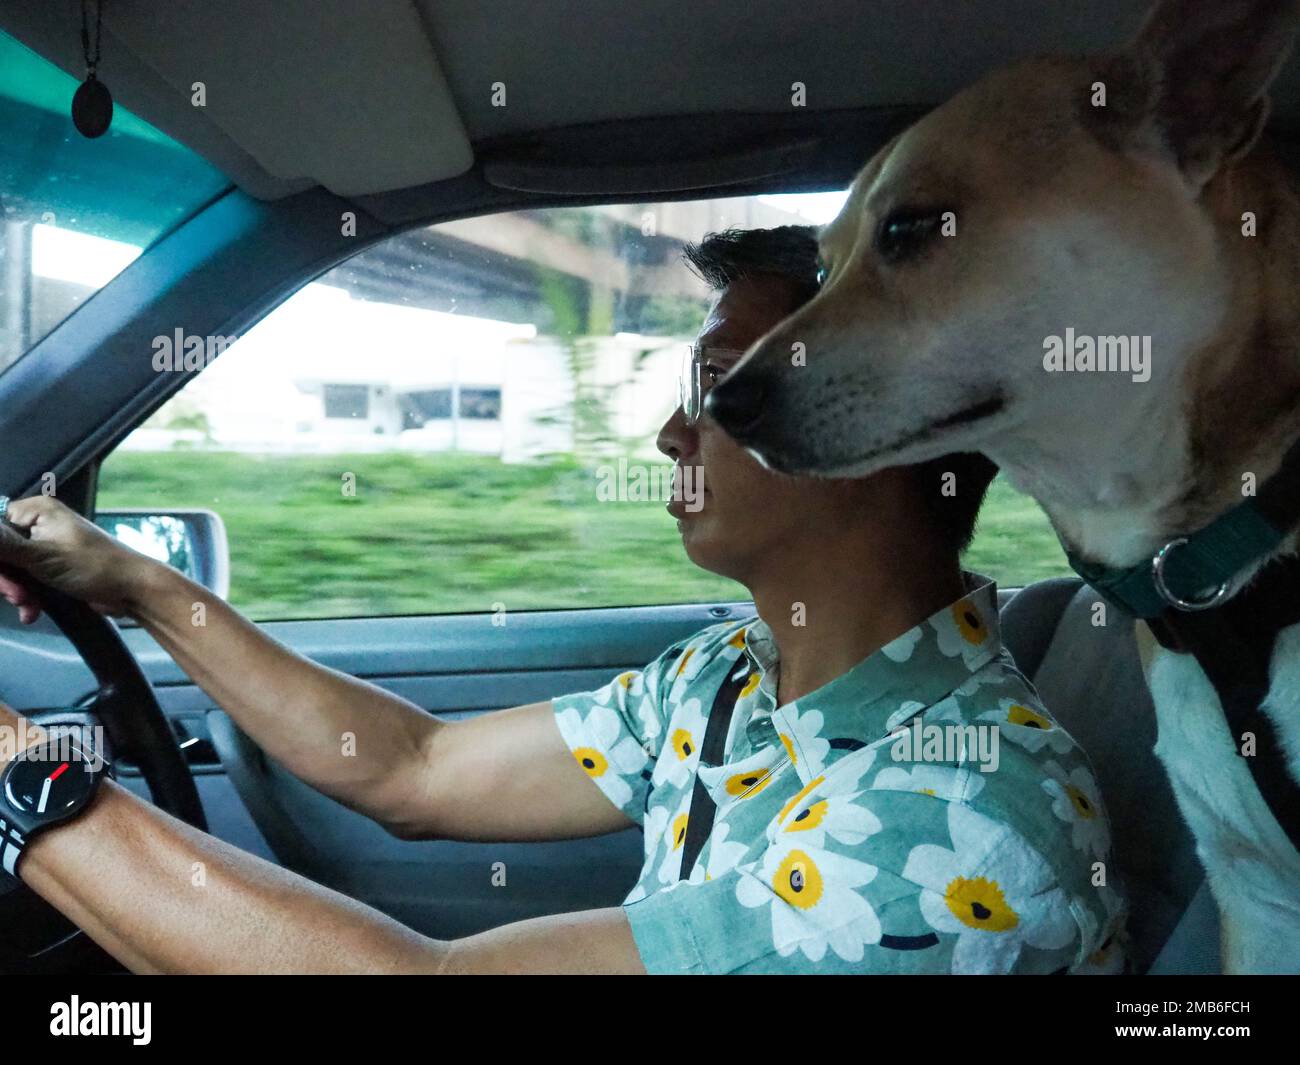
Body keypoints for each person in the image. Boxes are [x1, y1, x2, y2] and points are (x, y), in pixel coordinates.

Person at [0, 225, 1124, 974]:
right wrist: (138, 583)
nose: (669, 433)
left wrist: (20, 782)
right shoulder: (728, 676)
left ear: (872, 432)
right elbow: (408, 769)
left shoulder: (968, 824)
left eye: (721, 386)